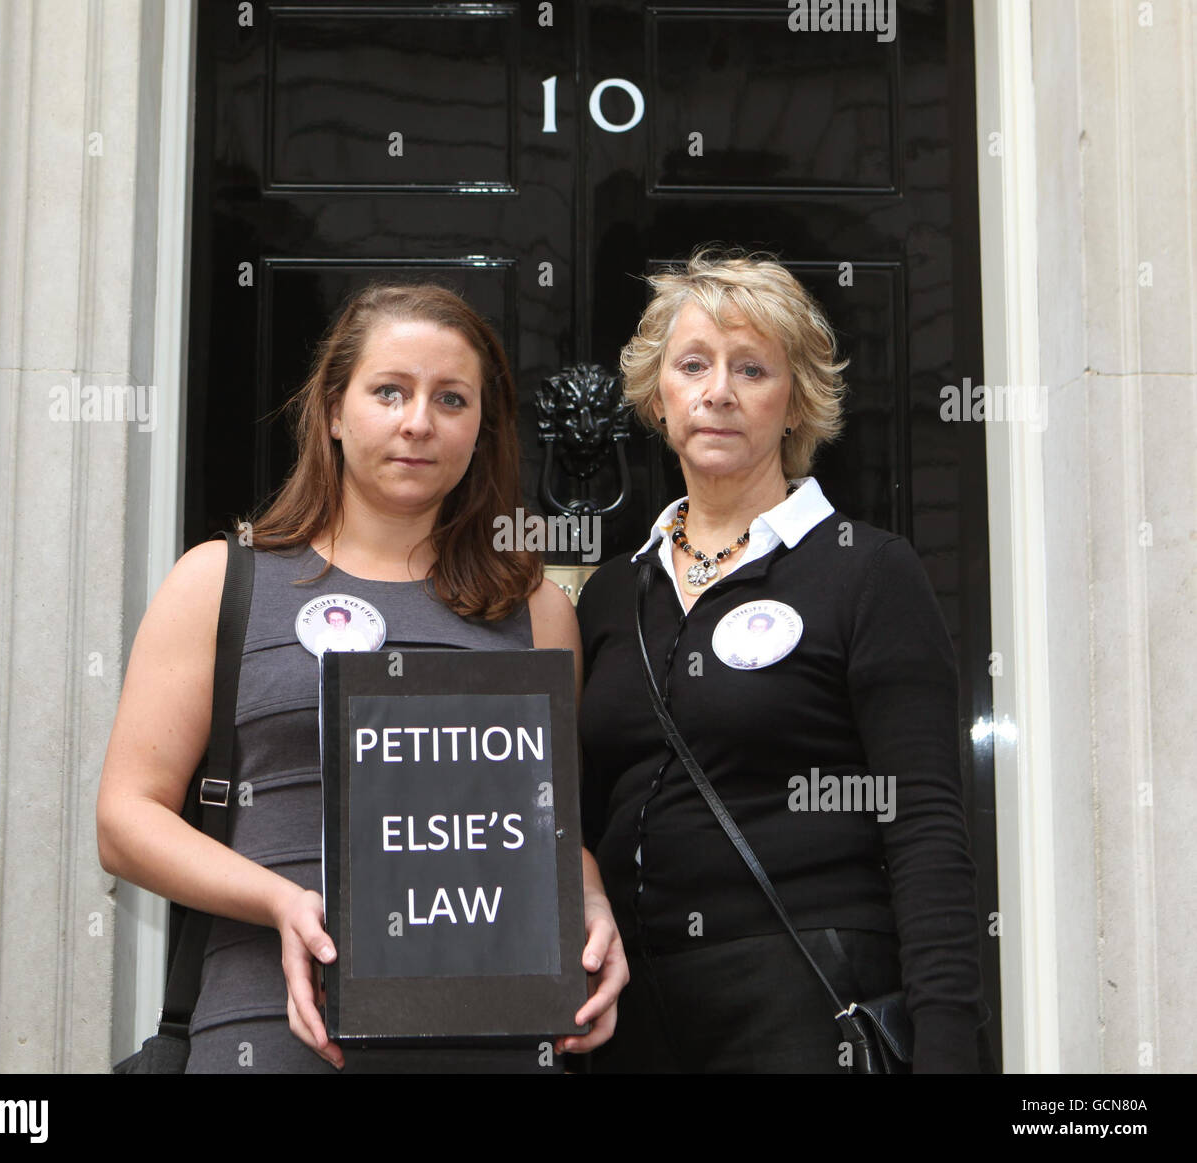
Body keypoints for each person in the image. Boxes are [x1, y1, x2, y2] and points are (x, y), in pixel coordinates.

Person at [97, 283, 627, 1073]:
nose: (419, 422)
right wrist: (279, 900)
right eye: (390, 391)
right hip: (269, 1030)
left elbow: (546, 828)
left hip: (490, 1037)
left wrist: (589, 901)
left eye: (452, 398)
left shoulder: (536, 611)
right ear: (334, 412)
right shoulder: (221, 582)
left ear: (482, 428)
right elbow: (124, 819)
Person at [576, 247, 986, 1072]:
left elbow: (926, 826)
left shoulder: (866, 569)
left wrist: (946, 1042)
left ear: (796, 401)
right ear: (659, 396)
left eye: (752, 369)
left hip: (805, 995)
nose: (717, 391)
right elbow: (573, 820)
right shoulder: (612, 595)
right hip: (636, 1016)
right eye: (693, 364)